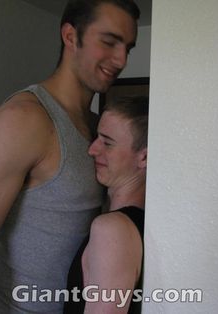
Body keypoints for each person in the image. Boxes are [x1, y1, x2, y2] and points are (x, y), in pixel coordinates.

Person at [0, 0, 140, 313]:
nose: (121, 59)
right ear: (71, 36)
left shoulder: (100, 128)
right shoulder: (24, 119)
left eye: (128, 47)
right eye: (109, 42)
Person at [64, 96, 148, 314]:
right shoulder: (139, 223)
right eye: (96, 138)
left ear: (144, 157)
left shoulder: (112, 229)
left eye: (107, 143)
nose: (92, 150)